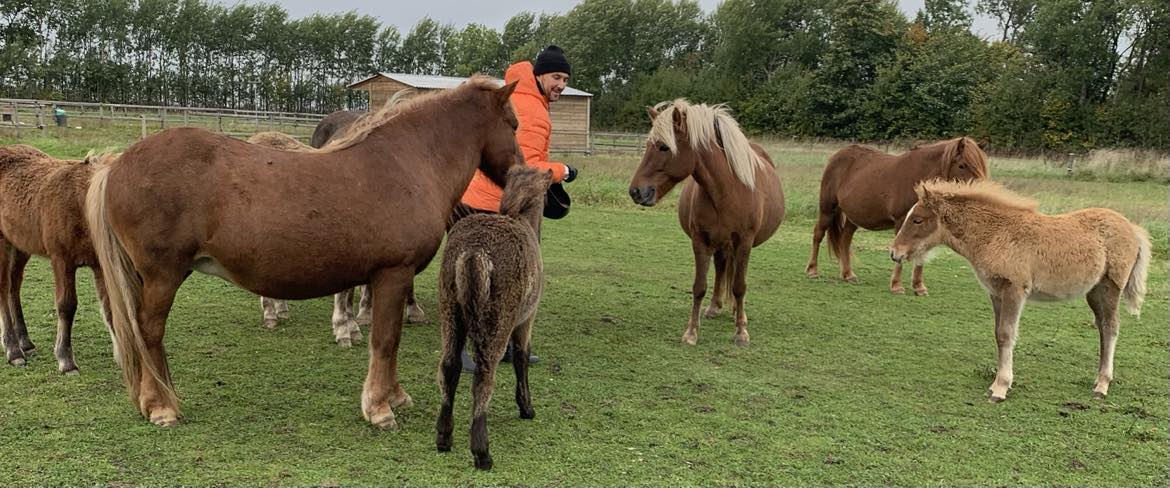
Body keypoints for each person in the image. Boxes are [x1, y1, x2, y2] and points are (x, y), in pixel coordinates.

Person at [452, 45, 578, 373]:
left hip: (477, 200)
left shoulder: (520, 98)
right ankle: (465, 348)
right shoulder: (532, 110)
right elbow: (527, 168)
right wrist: (563, 171)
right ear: (539, 75)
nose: (561, 85)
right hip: (493, 205)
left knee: (492, 277)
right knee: (485, 279)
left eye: (565, 79)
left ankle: (500, 345)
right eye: (556, 77)